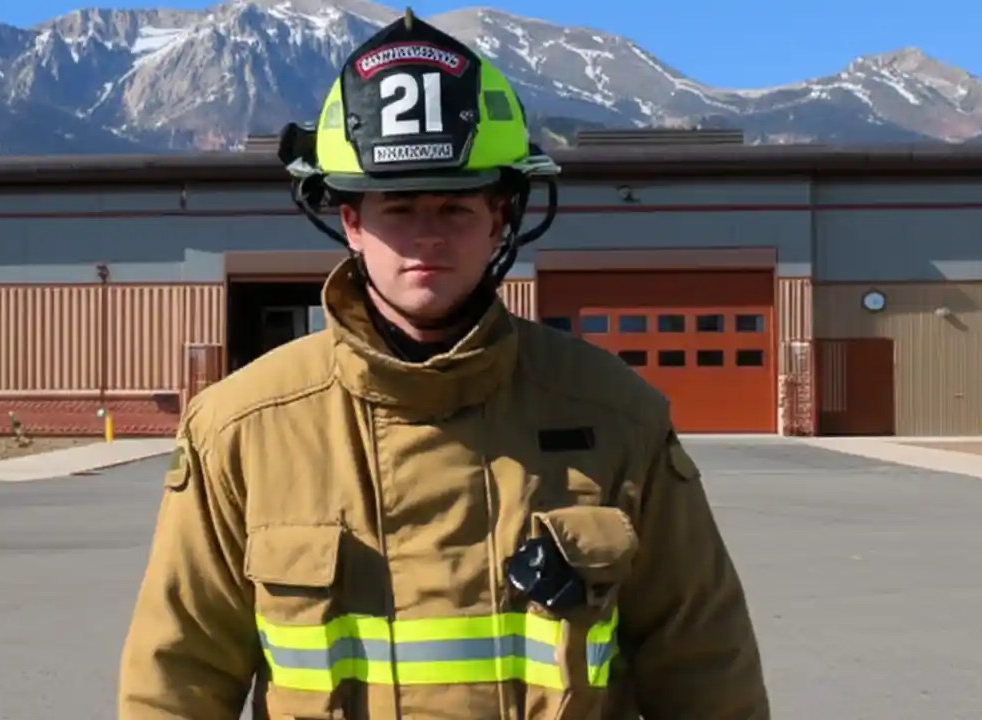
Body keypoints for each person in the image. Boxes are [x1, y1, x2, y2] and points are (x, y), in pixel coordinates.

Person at [117, 9, 769, 720]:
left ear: (500, 217)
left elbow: (706, 667)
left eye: (455, 207)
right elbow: (177, 678)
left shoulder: (617, 417)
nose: (427, 236)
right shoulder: (240, 431)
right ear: (352, 221)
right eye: (399, 207)